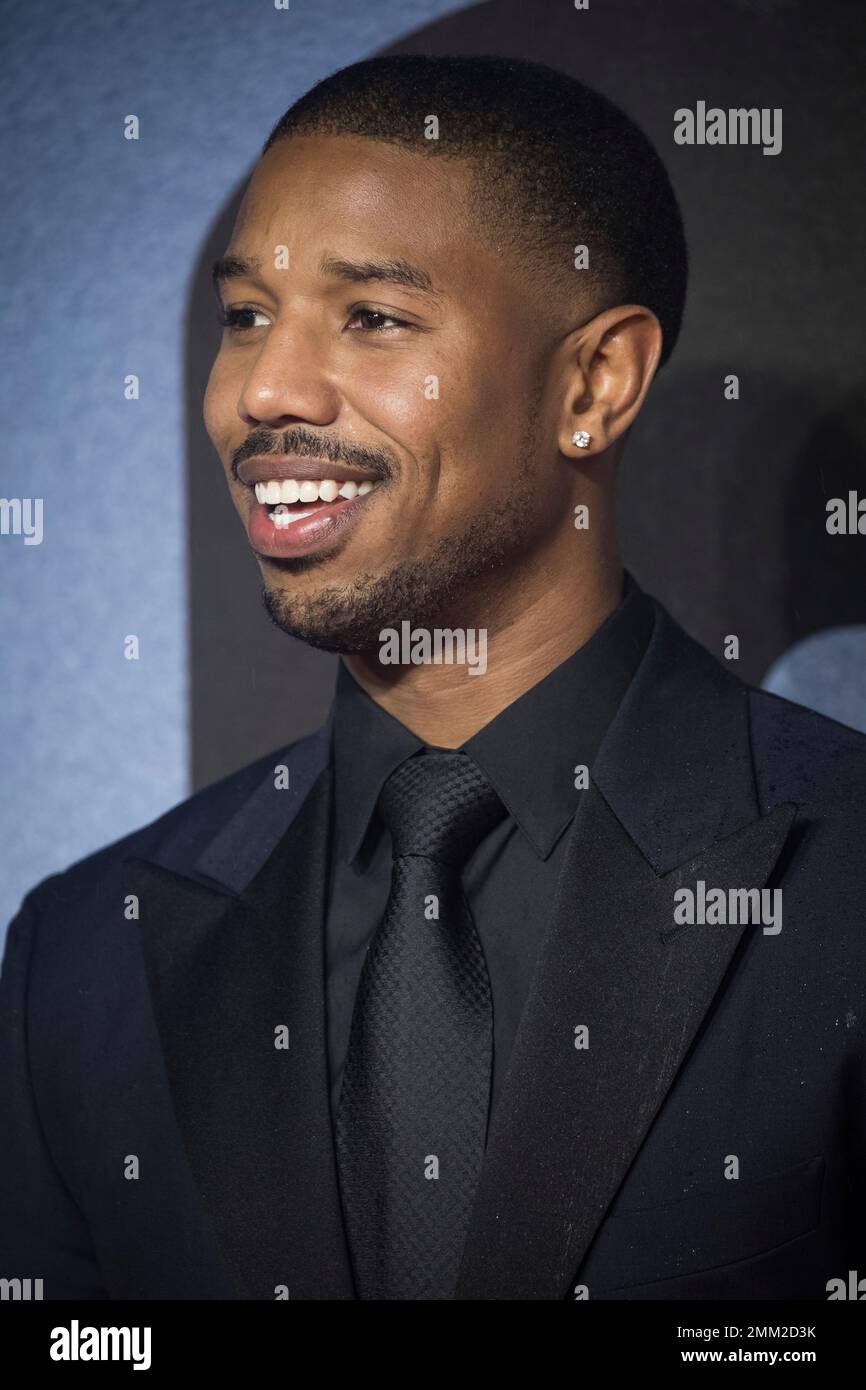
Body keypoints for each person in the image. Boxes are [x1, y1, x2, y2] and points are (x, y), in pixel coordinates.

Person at [1, 54, 864, 1302]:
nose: (263, 392)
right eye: (245, 315)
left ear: (592, 384)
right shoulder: (84, 958)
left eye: (372, 318)